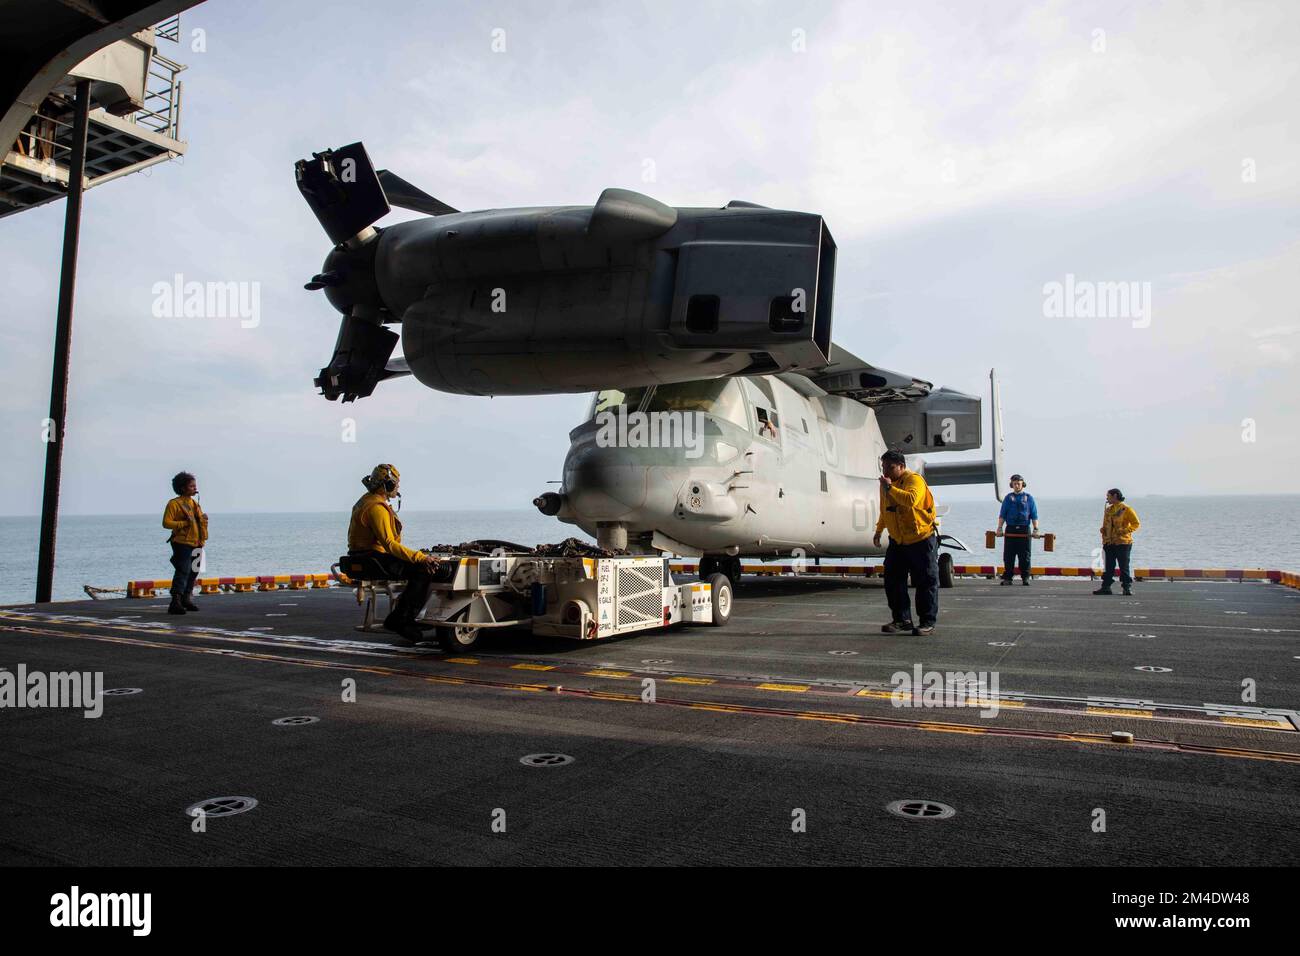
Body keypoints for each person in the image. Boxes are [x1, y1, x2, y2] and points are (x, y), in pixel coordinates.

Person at [347, 463, 440, 642]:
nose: (397, 487)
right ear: (387, 485)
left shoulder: (365, 501)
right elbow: (389, 544)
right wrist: (421, 557)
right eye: (395, 484)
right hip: (372, 558)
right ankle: (400, 620)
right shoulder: (376, 508)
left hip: (361, 556)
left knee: (412, 567)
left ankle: (406, 617)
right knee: (422, 571)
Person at [872, 450, 939, 635]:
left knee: (926, 581)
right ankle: (902, 620)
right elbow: (885, 510)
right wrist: (878, 531)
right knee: (893, 580)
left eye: (890, 467)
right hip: (898, 541)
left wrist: (889, 488)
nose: (885, 471)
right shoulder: (886, 484)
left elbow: (910, 500)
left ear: (901, 466)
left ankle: (927, 622)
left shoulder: (914, 480)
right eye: (883, 467)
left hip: (921, 539)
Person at [162, 471, 208, 615]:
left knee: (194, 570)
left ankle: (186, 598)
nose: (195, 488)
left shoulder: (194, 504)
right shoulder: (174, 504)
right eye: (191, 486)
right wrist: (182, 523)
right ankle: (175, 601)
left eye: (195, 486)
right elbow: (166, 523)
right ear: (183, 488)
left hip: (197, 542)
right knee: (183, 570)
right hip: (182, 542)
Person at [1094, 488, 1141, 596]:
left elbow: (1136, 523)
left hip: (1123, 542)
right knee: (1108, 566)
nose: (1107, 498)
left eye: (1108, 496)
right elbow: (1106, 523)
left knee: (1123, 566)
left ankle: (1126, 587)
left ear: (1115, 496)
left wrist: (1124, 531)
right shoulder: (1108, 510)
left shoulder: (1126, 509)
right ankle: (1106, 587)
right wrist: (1103, 529)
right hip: (1109, 542)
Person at [996, 473, 1039, 586]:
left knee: (1025, 556)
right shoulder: (1008, 498)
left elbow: (1034, 515)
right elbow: (1002, 515)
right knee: (1008, 555)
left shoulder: (1029, 498)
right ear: (1012, 485)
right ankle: (1008, 578)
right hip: (1010, 530)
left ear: (1023, 485)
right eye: (1015, 484)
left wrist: (1036, 529)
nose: (1017, 486)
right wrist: (999, 528)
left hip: (1024, 530)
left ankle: (1025, 577)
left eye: (1019, 484)